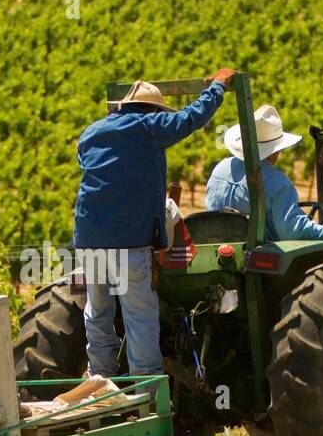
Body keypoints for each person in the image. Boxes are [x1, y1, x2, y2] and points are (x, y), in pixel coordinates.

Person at [74, 70, 237, 377]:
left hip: (89, 240)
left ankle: (99, 383)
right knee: (140, 318)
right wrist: (216, 88)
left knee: (97, 313)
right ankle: (146, 396)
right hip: (129, 243)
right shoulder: (149, 127)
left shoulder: (91, 133)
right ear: (153, 110)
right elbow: (191, 118)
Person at [205, 103, 323, 253]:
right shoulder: (278, 184)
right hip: (258, 255)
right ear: (275, 151)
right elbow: (293, 230)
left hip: (218, 248)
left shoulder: (220, 169)